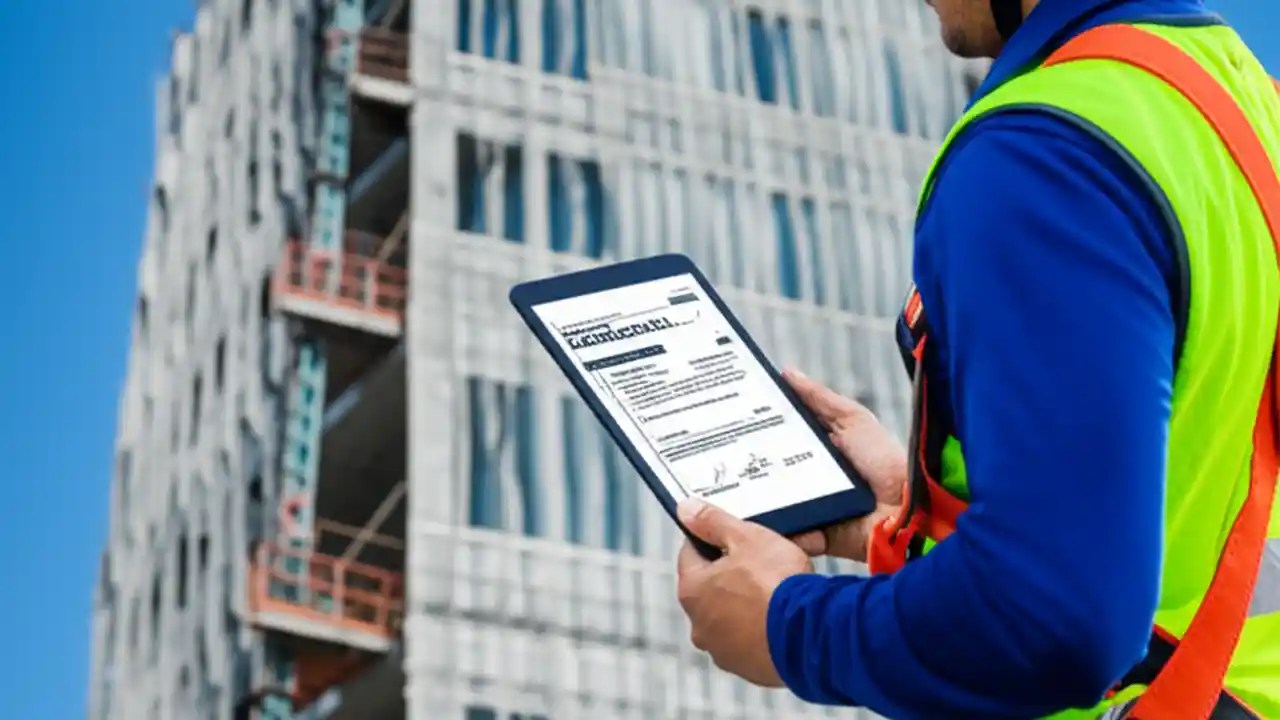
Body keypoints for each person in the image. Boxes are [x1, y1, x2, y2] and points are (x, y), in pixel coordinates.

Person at [672, 0, 1280, 717]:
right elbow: (1206, 453)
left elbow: (1055, 620)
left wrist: (788, 627)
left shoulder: (1044, 158)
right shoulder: (1235, 94)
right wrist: (925, 504)